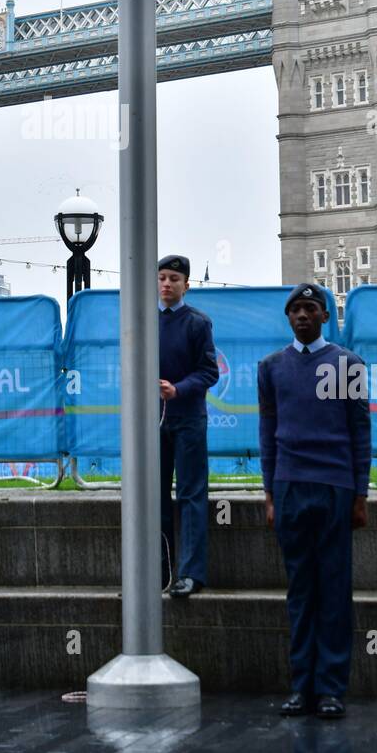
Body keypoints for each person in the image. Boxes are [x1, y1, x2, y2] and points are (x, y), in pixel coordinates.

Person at [257, 283, 371, 718]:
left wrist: (360, 494)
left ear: (325, 316)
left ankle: (331, 689)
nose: (302, 315)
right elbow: (268, 433)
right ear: (288, 317)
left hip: (334, 487)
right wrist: (269, 493)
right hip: (290, 486)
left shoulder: (348, 365)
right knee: (300, 591)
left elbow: (360, 431)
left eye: (310, 308)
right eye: (295, 309)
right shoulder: (271, 368)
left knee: (335, 590)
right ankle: (301, 686)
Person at [157, 254, 219, 597]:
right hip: (152, 422)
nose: (167, 284)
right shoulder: (144, 320)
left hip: (189, 420)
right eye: (162, 278)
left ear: (186, 286)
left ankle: (191, 574)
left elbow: (209, 372)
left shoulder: (197, 323)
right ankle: (159, 572)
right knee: (155, 495)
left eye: (174, 279)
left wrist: (178, 390)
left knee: (191, 494)